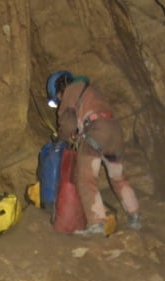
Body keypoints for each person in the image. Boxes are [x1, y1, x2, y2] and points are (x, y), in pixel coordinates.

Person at [45, 69, 141, 237]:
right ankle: (135, 217)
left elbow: (68, 125)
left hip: (97, 132)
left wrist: (60, 139)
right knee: (118, 178)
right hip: (115, 133)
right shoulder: (91, 90)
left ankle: (97, 224)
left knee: (86, 179)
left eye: (57, 97)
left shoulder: (70, 91)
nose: (59, 100)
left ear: (59, 88)